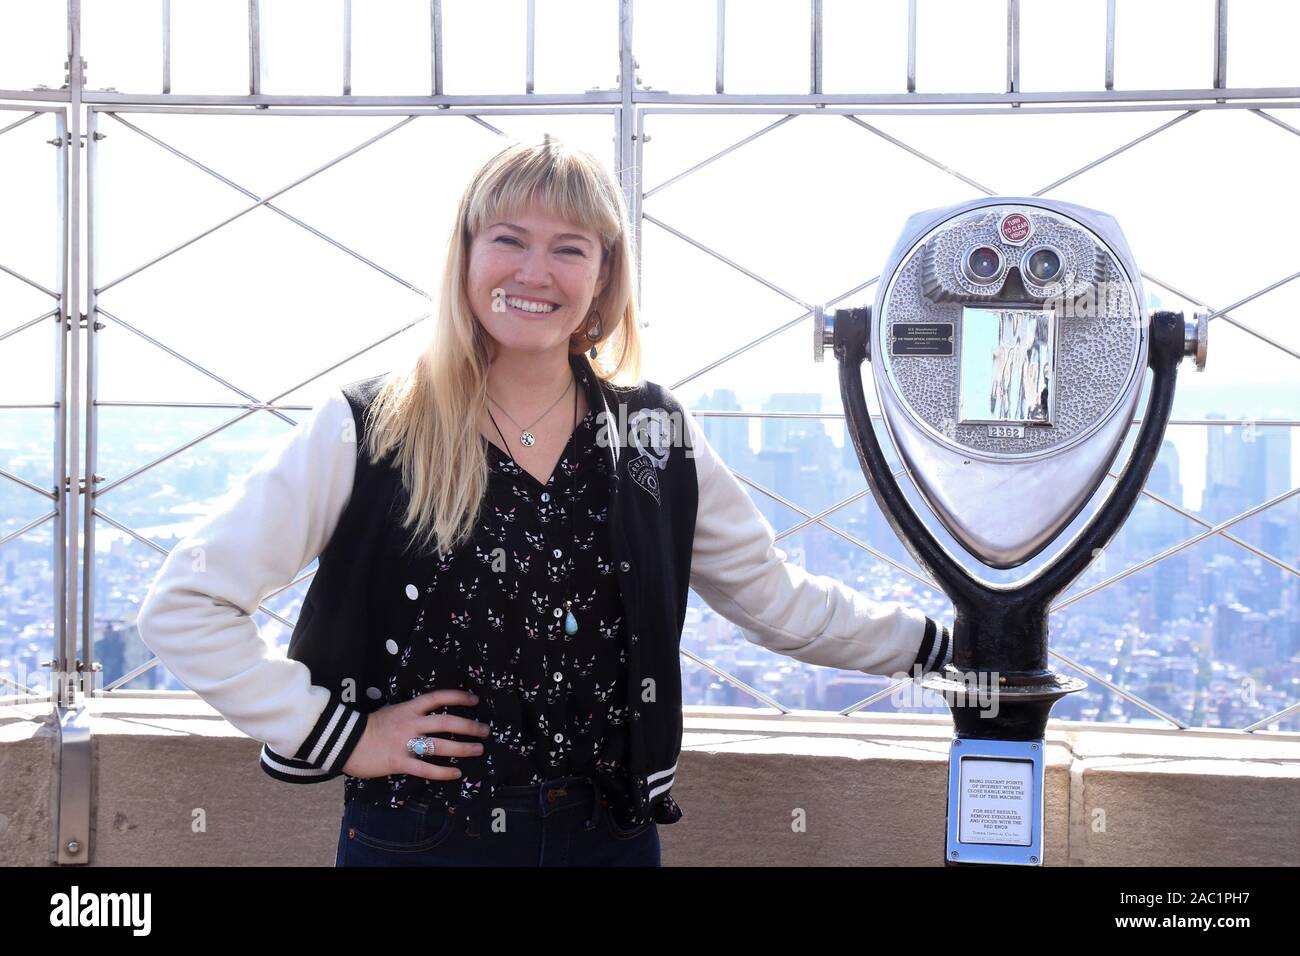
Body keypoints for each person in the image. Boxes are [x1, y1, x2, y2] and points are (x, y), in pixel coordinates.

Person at [136, 136, 952, 868]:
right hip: (419, 839)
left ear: (602, 279)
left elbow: (775, 602)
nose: (534, 273)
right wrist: (348, 739)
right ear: (464, 257)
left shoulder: (653, 434)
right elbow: (185, 605)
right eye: (508, 240)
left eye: (569, 248)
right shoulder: (372, 427)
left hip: (611, 836)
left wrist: (941, 646)